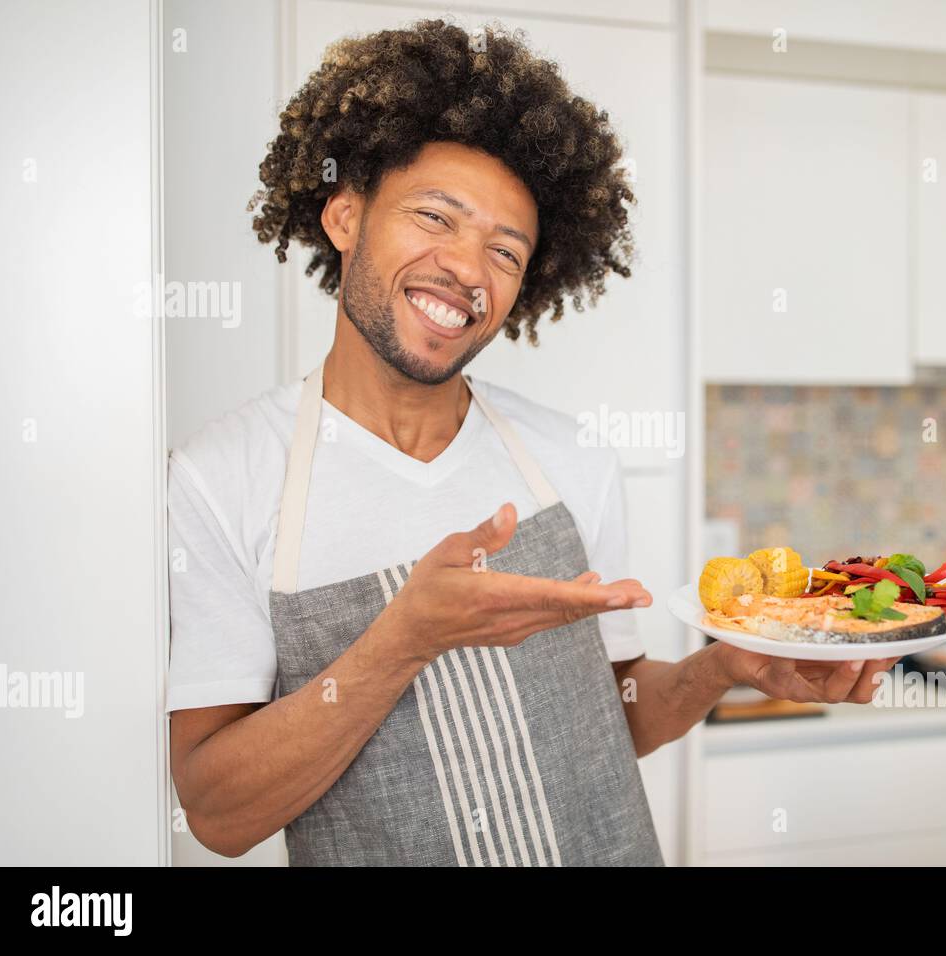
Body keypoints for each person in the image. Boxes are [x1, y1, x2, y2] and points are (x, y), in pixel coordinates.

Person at [166, 19, 897, 867]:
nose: (467, 270)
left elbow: (615, 715)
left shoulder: (569, 461)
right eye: (435, 217)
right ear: (344, 214)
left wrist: (723, 667)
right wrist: (404, 638)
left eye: (504, 252)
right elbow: (218, 814)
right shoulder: (224, 478)